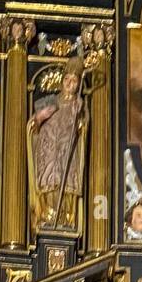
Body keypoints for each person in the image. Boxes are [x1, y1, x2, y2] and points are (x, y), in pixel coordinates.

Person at [28, 59, 86, 230]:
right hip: (47, 154)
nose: (70, 84)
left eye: (74, 81)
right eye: (67, 79)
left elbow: (84, 130)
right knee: (48, 185)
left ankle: (65, 221)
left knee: (66, 186)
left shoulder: (79, 106)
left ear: (78, 85)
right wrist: (39, 118)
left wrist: (81, 122)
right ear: (62, 81)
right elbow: (33, 127)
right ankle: (46, 218)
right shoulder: (48, 102)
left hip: (68, 155)